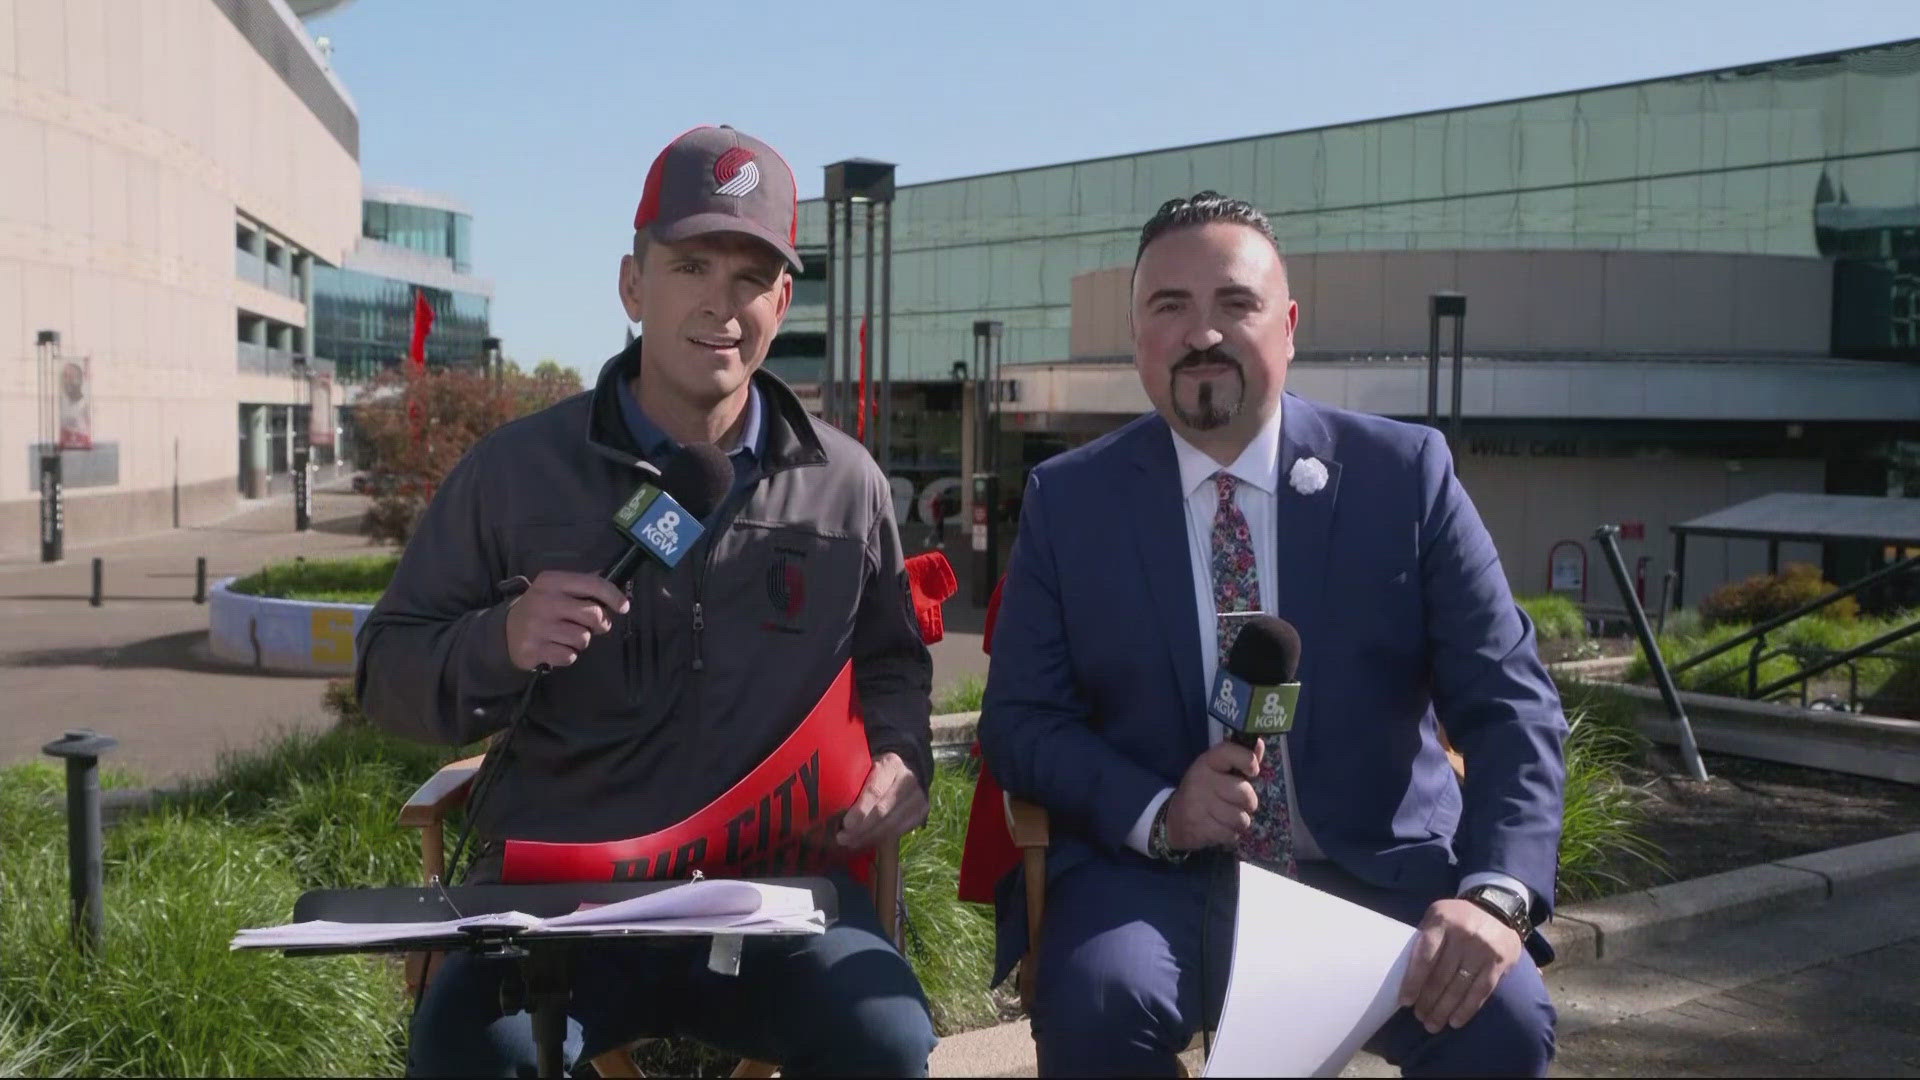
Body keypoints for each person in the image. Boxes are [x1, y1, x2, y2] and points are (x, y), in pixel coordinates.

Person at [356, 125, 938, 1077]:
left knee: (887, 1043)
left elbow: (890, 664)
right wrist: (500, 640)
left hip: (777, 898)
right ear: (634, 285)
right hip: (561, 908)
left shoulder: (846, 485)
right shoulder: (514, 474)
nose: (722, 304)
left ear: (783, 302)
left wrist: (904, 755)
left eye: (752, 277)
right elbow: (385, 669)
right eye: (692, 266)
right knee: (472, 1054)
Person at [978, 191, 1567, 1077]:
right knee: (1096, 1008)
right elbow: (1020, 723)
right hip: (1157, 882)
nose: (1200, 334)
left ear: (1288, 327)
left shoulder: (1405, 479)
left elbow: (1512, 705)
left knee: (1503, 1023)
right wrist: (1160, 813)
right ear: (1137, 335)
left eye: (1235, 305)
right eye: (1168, 307)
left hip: (1371, 878)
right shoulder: (1071, 502)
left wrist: (1494, 896)